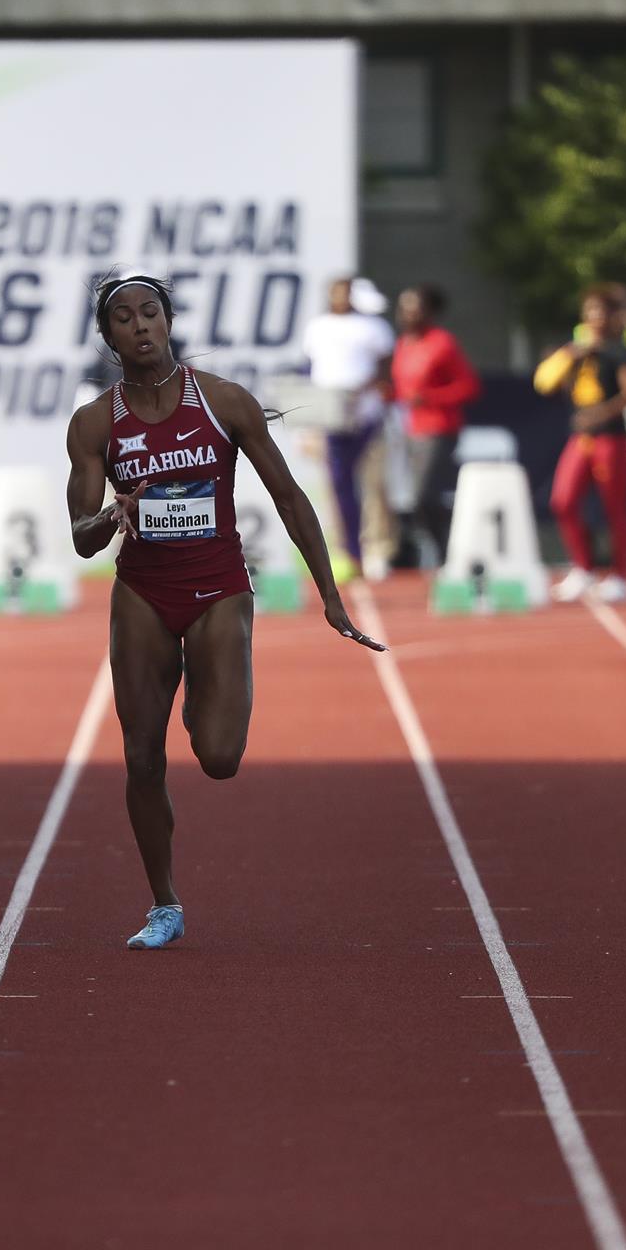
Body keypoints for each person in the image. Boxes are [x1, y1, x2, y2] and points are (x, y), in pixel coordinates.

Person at [65, 274, 384, 950]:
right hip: (143, 594)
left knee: (218, 756)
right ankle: (164, 903)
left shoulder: (224, 402)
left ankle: (200, 686)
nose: (140, 326)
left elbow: (293, 499)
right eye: (124, 318)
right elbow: (81, 534)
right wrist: (111, 514)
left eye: (151, 312)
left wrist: (330, 594)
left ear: (170, 320)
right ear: (108, 336)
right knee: (140, 756)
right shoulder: (95, 422)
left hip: (218, 589)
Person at [535, 285, 626, 602]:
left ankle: (621, 576)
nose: (594, 317)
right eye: (590, 311)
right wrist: (570, 353)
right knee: (563, 500)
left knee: (614, 508)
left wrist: (601, 414)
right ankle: (583, 569)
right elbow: (544, 383)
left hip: (611, 438)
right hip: (581, 439)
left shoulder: (618, 351)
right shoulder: (575, 352)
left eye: (601, 311)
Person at [300, 275, 396, 579]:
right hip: (330, 420)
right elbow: (311, 370)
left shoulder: (373, 327)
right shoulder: (318, 327)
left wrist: (361, 391)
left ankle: (377, 550)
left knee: (372, 484)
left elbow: (385, 369)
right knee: (337, 487)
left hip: (366, 416)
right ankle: (347, 550)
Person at [388, 283, 480, 562]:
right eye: (404, 306)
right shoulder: (403, 343)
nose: (407, 313)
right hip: (409, 429)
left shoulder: (442, 343)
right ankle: (449, 551)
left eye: (414, 306)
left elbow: (469, 387)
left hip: (439, 428)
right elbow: (403, 390)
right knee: (416, 500)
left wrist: (430, 397)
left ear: (429, 311)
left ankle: (451, 550)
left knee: (422, 496)